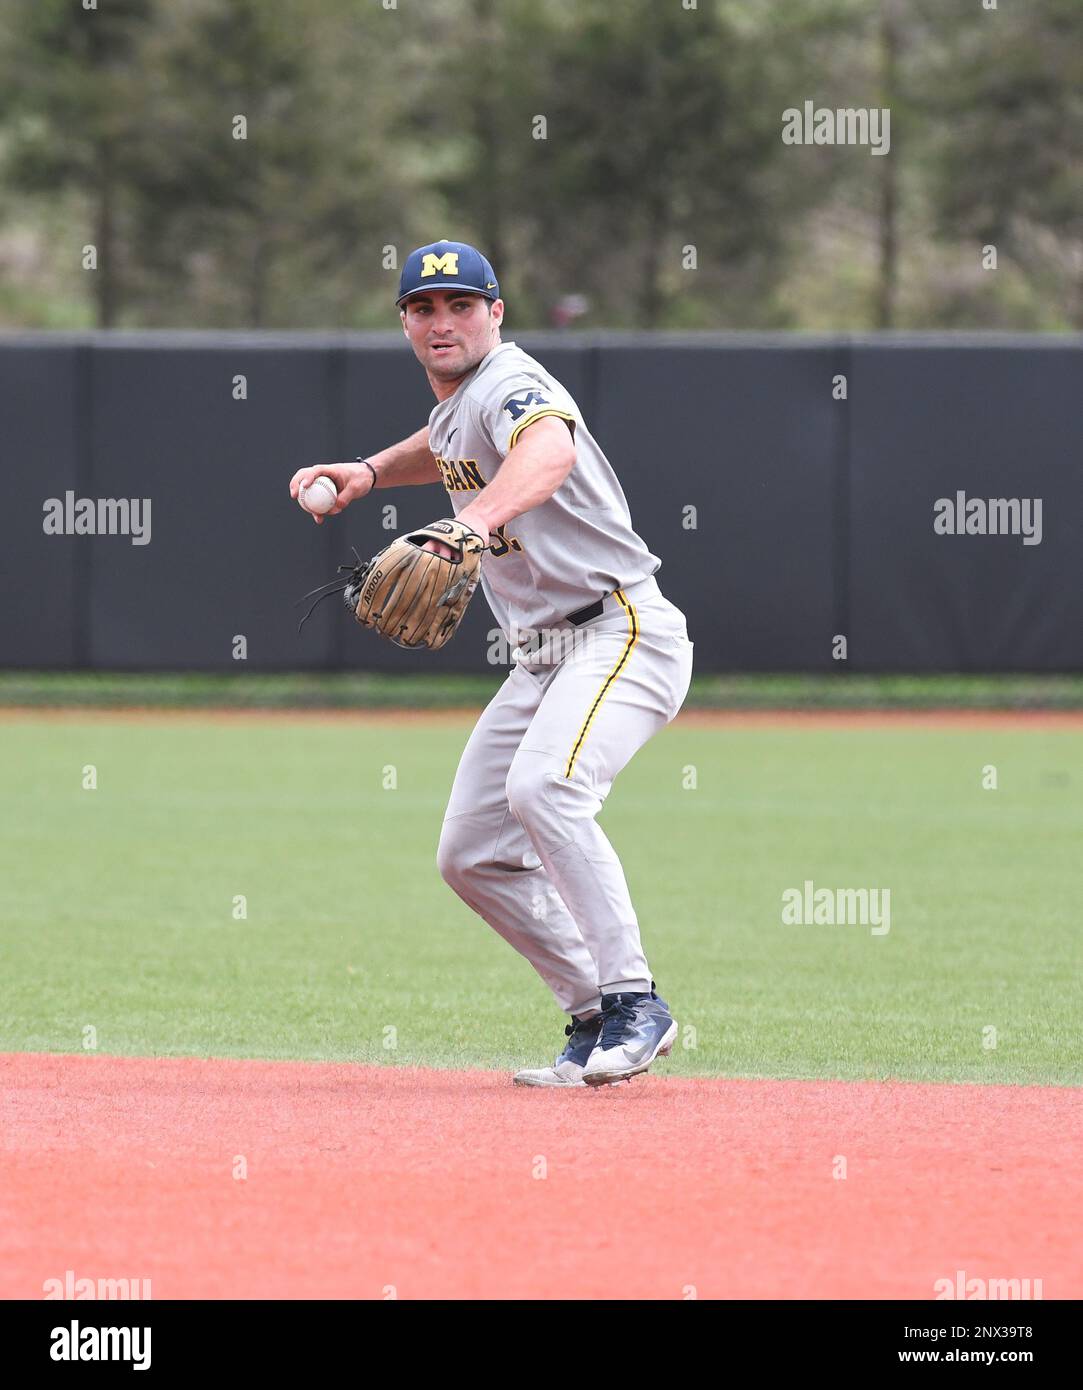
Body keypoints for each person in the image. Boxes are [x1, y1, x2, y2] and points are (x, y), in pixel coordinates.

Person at [290, 240, 694, 1087]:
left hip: (618, 630)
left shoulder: (513, 382)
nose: (443, 323)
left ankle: (635, 1003)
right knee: (471, 852)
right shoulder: (461, 401)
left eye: (461, 306)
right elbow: (444, 445)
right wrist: (368, 473)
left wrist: (472, 524)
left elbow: (546, 450)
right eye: (423, 309)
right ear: (404, 322)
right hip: (544, 656)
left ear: (495, 314)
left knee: (545, 789)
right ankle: (592, 1014)